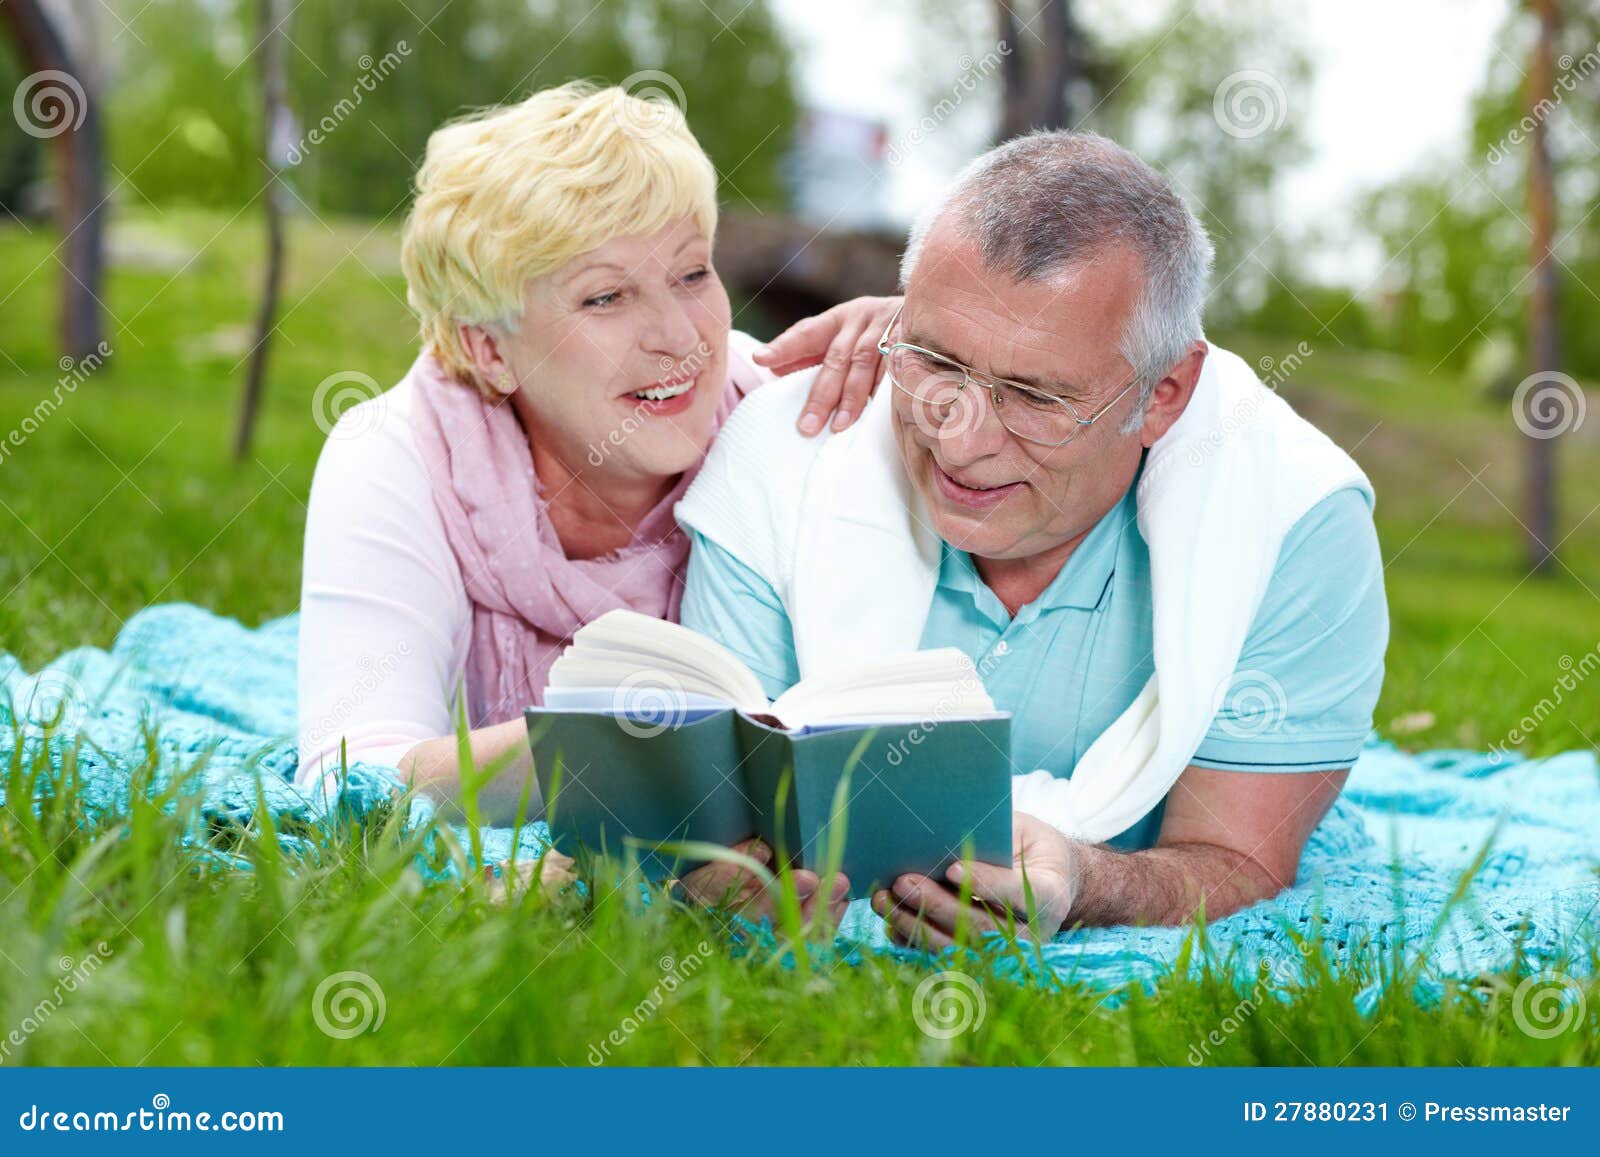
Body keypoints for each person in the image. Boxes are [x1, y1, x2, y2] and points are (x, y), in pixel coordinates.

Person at [676, 130, 1389, 944]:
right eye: (937, 359)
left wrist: (1088, 883)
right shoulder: (790, 446)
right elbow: (719, 801)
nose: (960, 439)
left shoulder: (1294, 522)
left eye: (1033, 396)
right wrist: (724, 874)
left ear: (1166, 394)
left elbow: (1240, 862)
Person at [294, 81, 894, 920]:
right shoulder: (399, 454)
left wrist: (932, 346)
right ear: (487, 348)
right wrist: (606, 750)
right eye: (606, 297)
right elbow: (348, 784)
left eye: (692, 273)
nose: (681, 338)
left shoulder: (782, 411)